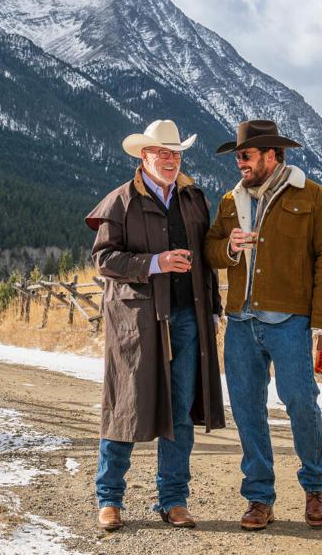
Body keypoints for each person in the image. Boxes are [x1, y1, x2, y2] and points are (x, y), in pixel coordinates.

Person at [85, 119, 226, 532]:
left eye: (176, 152)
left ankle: (173, 500)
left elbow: (204, 260)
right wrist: (153, 263)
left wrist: (213, 309)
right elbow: (103, 260)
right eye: (162, 152)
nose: (170, 159)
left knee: (180, 411)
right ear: (144, 155)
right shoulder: (121, 201)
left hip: (188, 318)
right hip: (137, 321)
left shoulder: (194, 197)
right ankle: (109, 499)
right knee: (126, 406)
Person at [204, 119, 322, 532]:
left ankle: (315, 487)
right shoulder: (230, 200)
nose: (240, 164)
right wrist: (228, 247)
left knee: (302, 402)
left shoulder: (313, 196)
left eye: (245, 156)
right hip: (241, 321)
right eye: (237, 158)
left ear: (271, 155)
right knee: (247, 410)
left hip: (290, 321)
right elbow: (210, 247)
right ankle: (258, 497)